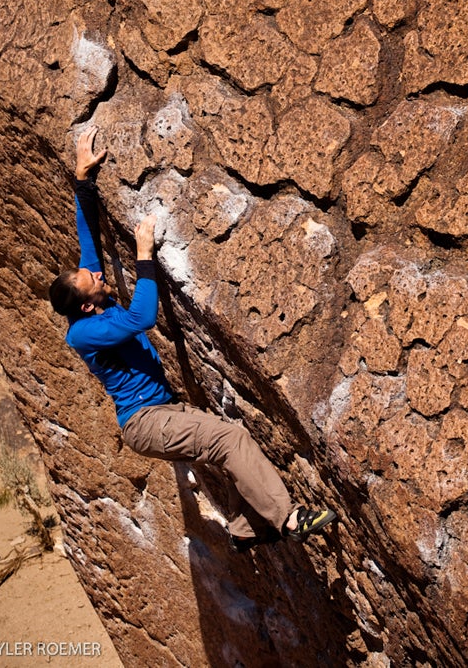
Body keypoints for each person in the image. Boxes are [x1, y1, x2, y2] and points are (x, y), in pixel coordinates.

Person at [49, 127, 337, 553]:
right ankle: (289, 518)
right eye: (90, 279)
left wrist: (82, 179)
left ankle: (244, 528)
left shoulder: (90, 301)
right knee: (229, 439)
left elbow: (86, 235)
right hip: (145, 422)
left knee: (224, 441)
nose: (94, 273)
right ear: (87, 305)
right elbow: (143, 316)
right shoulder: (86, 332)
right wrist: (144, 254)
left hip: (163, 409)